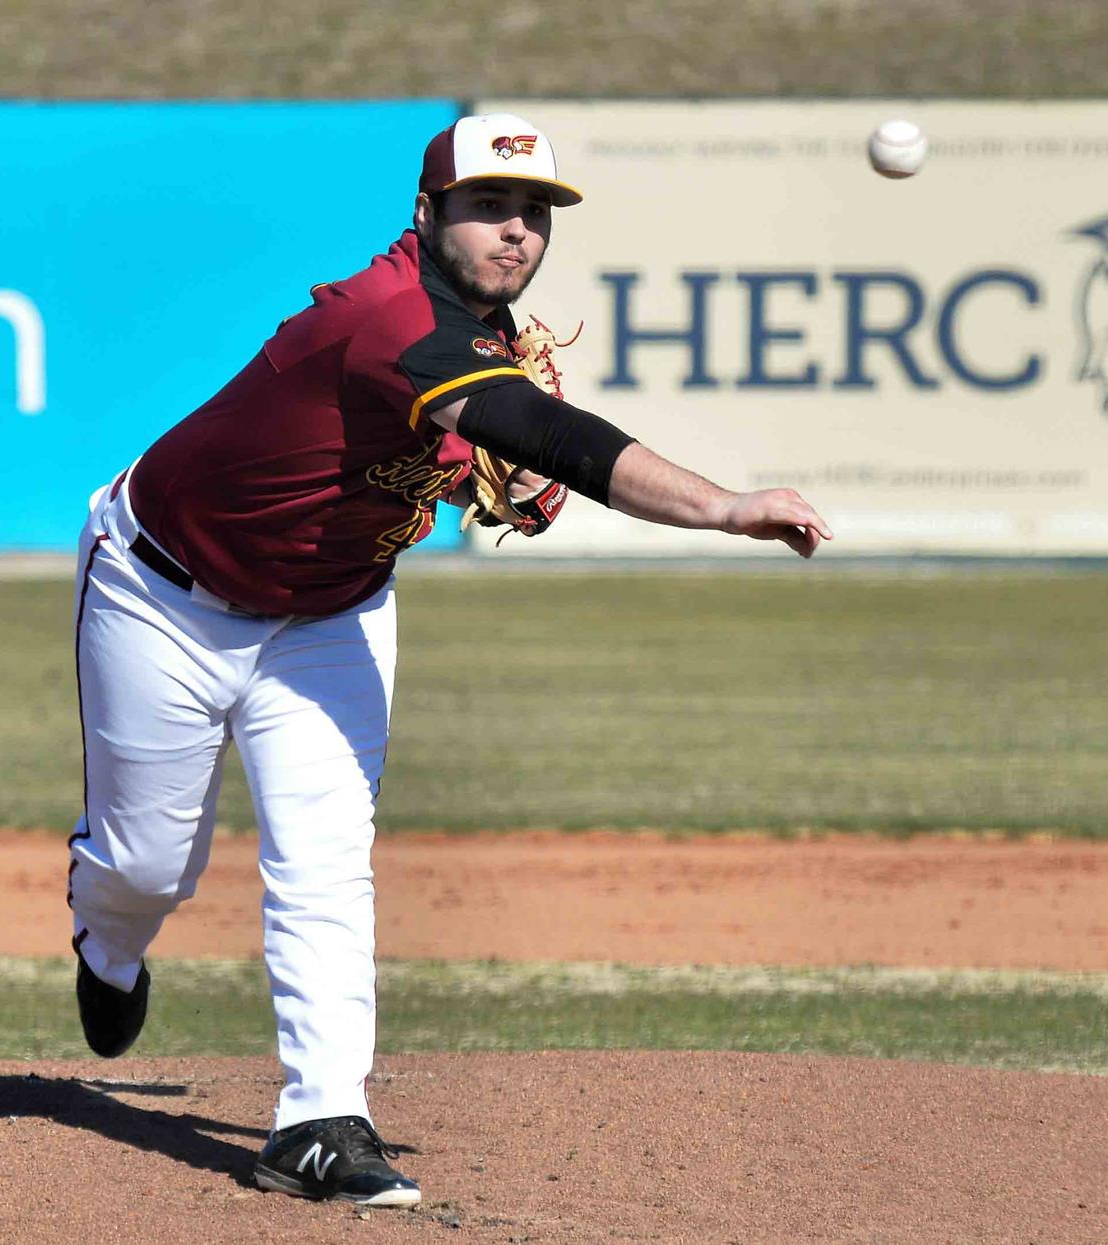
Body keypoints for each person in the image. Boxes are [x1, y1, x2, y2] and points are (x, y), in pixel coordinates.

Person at [65, 112, 832, 1208]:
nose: (513, 233)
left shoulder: (476, 345)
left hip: (328, 615)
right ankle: (105, 938)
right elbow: (544, 430)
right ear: (425, 216)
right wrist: (720, 507)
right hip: (163, 596)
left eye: (531, 213)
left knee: (326, 860)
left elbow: (484, 428)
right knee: (148, 870)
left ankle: (318, 1121)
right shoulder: (383, 316)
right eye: (485, 208)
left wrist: (488, 464)